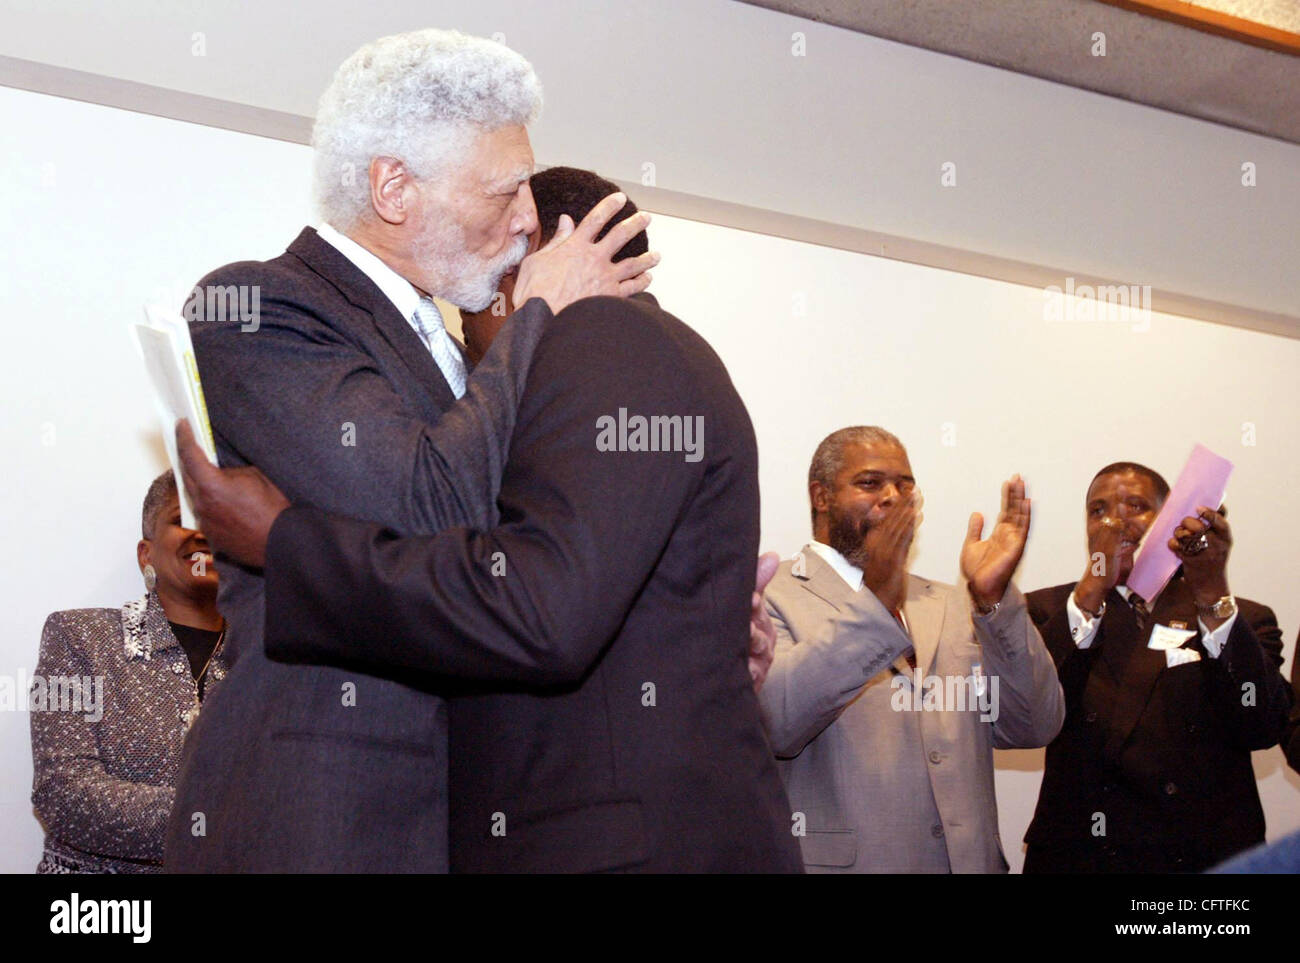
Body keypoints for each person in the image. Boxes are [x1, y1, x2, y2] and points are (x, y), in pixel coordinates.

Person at [172, 172, 805, 872]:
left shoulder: (606, 337)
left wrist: (287, 545)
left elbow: (537, 605)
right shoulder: (639, 354)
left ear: (535, 250)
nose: (466, 323)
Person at [164, 29, 656, 873]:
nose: (528, 220)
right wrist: (539, 313)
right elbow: (427, 508)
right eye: (504, 192)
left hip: (471, 812)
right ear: (394, 188)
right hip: (324, 810)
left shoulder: (458, 348)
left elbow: (513, 573)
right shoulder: (256, 305)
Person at [756, 426, 1064, 873]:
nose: (892, 496)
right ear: (820, 497)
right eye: (870, 483)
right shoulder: (769, 595)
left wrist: (995, 602)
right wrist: (877, 597)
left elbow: (1033, 726)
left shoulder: (954, 603)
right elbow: (779, 724)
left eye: (905, 485)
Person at [1022, 462, 1292, 873]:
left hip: (1202, 859)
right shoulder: (1045, 611)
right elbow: (1026, 713)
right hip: (1083, 856)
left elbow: (1262, 727)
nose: (1116, 520)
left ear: (1171, 522)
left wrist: (1212, 592)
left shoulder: (1244, 618)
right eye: (1098, 510)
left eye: (1136, 505)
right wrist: (1095, 583)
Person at [30, 471, 227, 873]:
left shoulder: (272, 662)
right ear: (146, 554)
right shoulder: (76, 636)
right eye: (183, 519)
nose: (202, 534)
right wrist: (223, 815)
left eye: (216, 521)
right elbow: (61, 794)